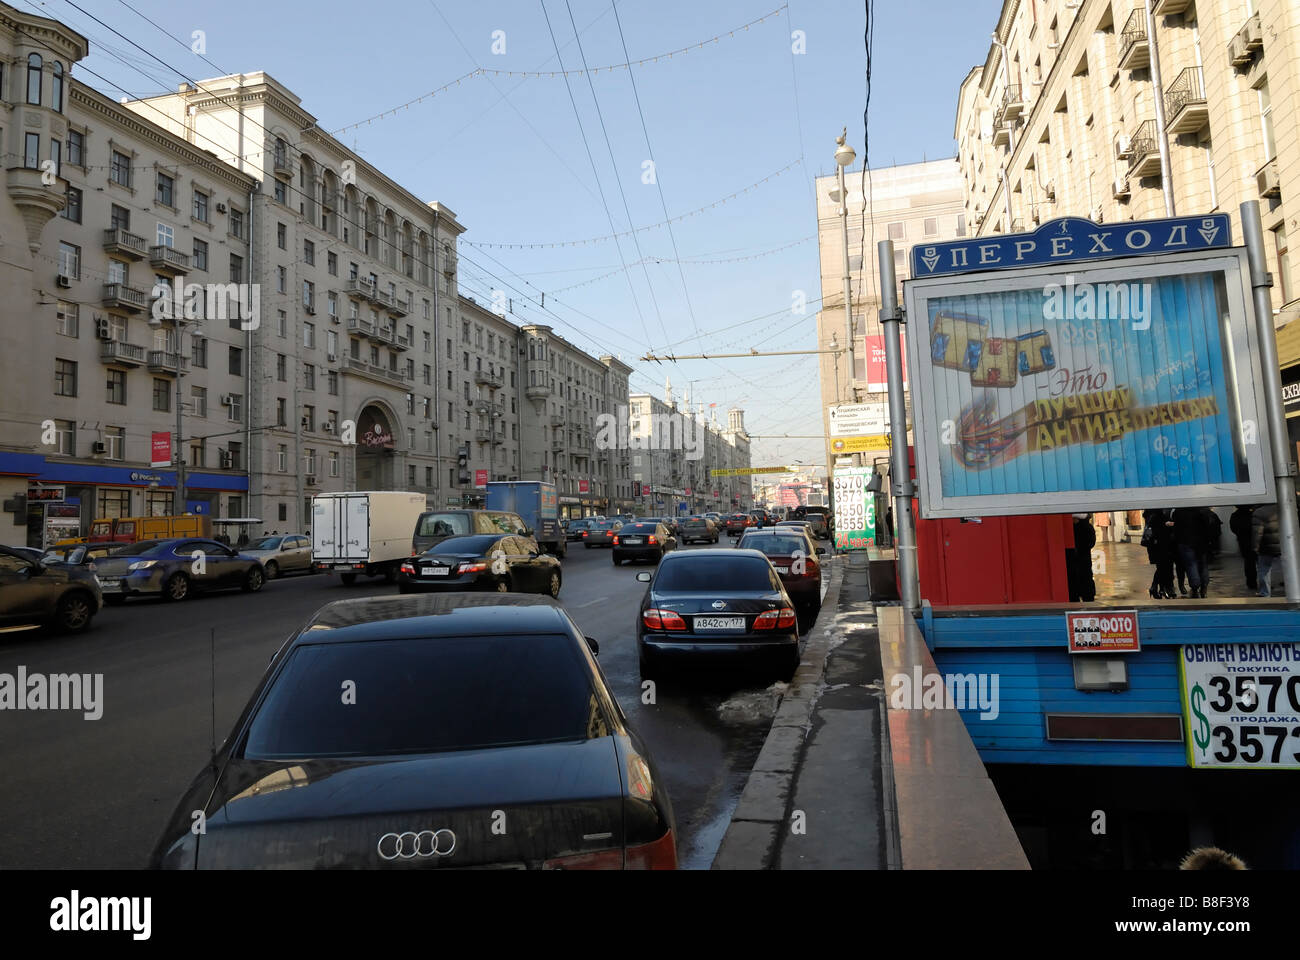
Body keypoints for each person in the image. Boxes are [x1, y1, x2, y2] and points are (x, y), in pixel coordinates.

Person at [1171, 506, 1211, 598]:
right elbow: (1207, 527)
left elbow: (1176, 528)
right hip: (1201, 542)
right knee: (1203, 565)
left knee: (1191, 565)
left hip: (1185, 542)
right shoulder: (1202, 510)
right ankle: (1204, 587)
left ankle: (1195, 587)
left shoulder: (1178, 511)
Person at [1143, 507, 1176, 599]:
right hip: (1161, 546)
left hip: (1155, 547)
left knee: (1162, 568)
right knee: (1163, 567)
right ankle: (1157, 588)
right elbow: (1159, 530)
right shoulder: (1157, 515)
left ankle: (1160, 589)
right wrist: (1166, 525)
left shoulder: (1150, 515)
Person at [1253, 502, 1282, 597]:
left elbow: (1257, 532)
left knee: (1264, 569)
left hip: (1266, 546)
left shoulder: (1259, 512)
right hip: (1285, 544)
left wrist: (1255, 547)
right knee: (1291, 567)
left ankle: (1265, 593)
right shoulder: (1283, 507)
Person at [1066, 513, 1097, 602]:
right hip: (1079, 563)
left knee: (1083, 582)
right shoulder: (1086, 526)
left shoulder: (1085, 527)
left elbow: (1090, 543)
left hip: (1081, 562)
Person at [1229, 505, 1258, 592]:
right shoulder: (1253, 514)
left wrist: (1239, 534)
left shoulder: (1234, 515)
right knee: (1261, 562)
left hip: (1243, 541)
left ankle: (1251, 583)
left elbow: (1233, 528)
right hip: (1255, 539)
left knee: (1249, 562)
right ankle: (1264, 582)